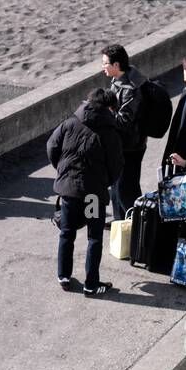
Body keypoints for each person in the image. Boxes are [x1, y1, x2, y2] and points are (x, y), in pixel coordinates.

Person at [47, 88, 123, 297]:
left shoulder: (71, 122)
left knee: (67, 232)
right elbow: (116, 166)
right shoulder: (109, 133)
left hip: (69, 190)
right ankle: (91, 284)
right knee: (94, 237)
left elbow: (52, 146)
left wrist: (62, 171)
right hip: (92, 194)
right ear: (109, 108)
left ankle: (63, 275)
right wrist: (103, 181)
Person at [100, 44, 148, 221]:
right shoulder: (119, 80)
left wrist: (105, 110)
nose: (103, 66)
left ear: (116, 65)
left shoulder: (130, 89)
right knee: (116, 188)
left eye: (105, 63)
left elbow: (124, 121)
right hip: (121, 144)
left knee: (126, 190)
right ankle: (119, 223)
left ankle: (137, 226)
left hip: (131, 146)